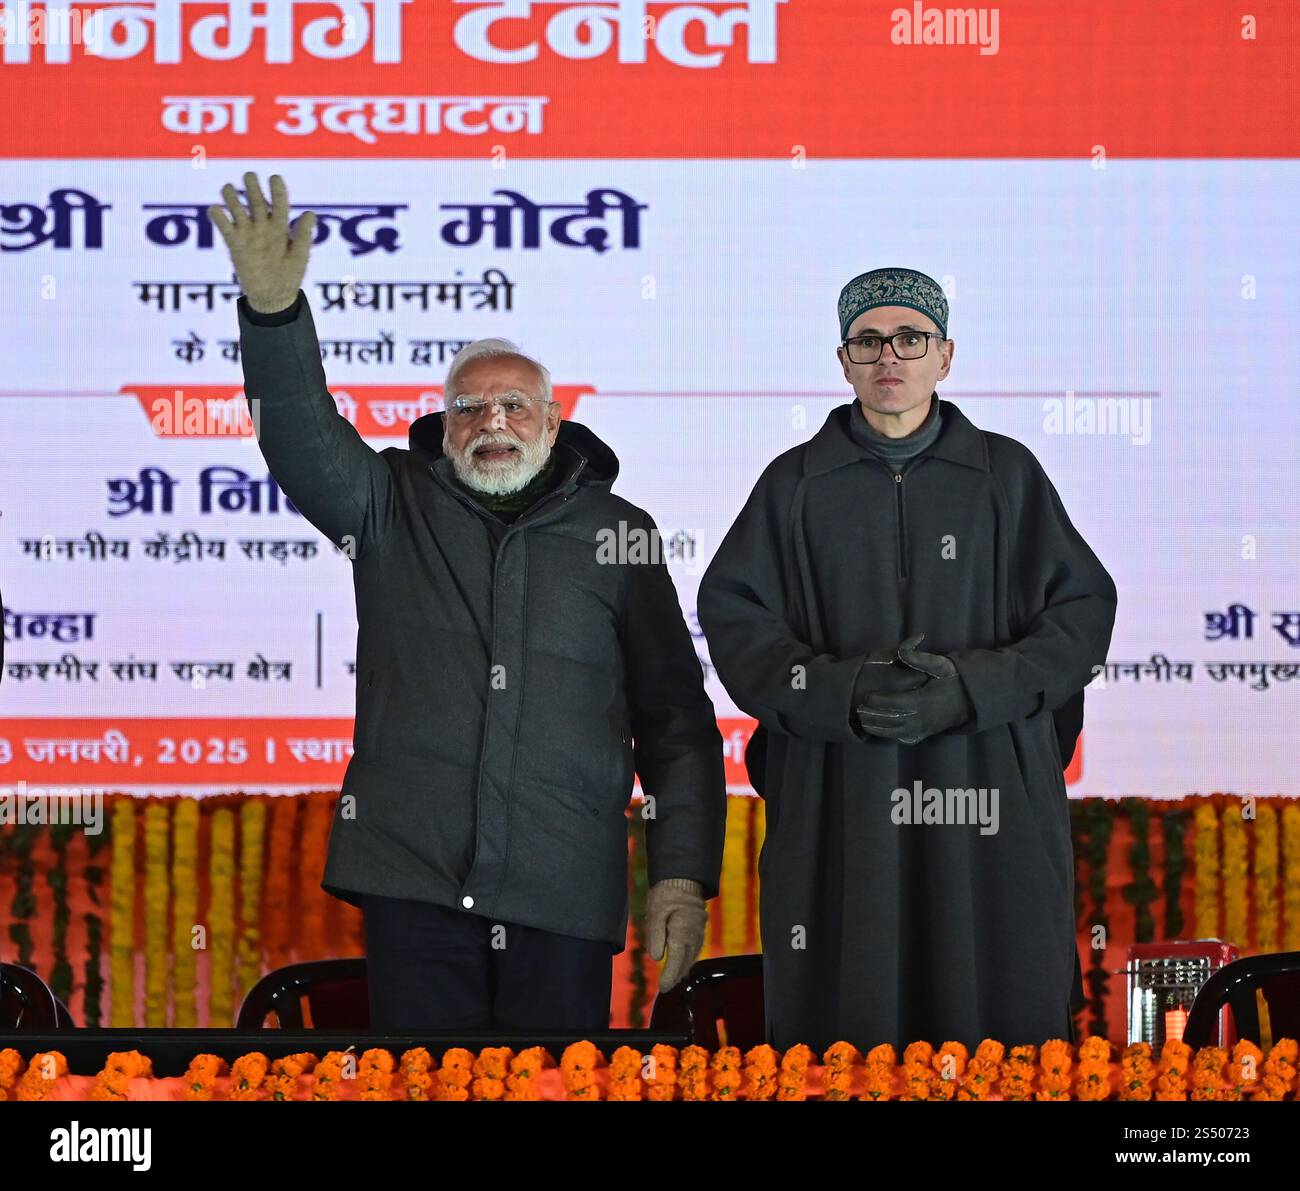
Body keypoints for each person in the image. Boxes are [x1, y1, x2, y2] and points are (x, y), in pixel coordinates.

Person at [210, 172, 725, 1031]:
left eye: (515, 405)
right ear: (443, 429)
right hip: (416, 882)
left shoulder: (619, 530)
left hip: (561, 884)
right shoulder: (388, 503)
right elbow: (298, 432)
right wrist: (272, 316)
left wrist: (682, 871)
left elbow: (674, 714)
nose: (493, 419)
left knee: (551, 1095)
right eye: (469, 406)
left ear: (554, 423)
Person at [698, 266, 1117, 1052]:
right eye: (868, 341)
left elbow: (1081, 611)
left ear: (945, 355)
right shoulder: (792, 485)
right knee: (847, 1020)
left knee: (999, 1018)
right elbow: (736, 615)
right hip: (838, 792)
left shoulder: (1008, 475)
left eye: (909, 338)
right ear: (844, 358)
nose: (889, 357)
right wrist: (841, 691)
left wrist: (973, 689)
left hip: (988, 782)